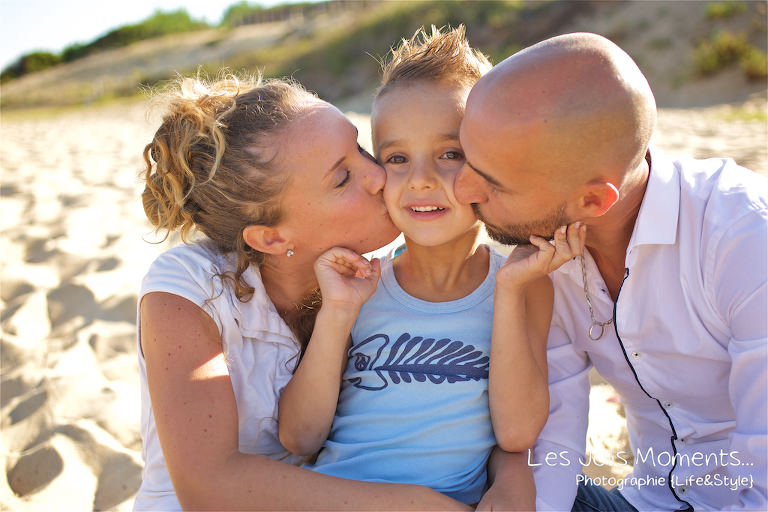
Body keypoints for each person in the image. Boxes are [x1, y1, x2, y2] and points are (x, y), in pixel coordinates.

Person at [135, 73, 484, 510]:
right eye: (343, 178)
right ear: (272, 239)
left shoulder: (374, 277)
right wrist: (416, 505)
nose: (378, 175)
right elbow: (209, 485)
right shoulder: (189, 288)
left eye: (360, 149)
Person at [454, 31, 768, 511]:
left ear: (593, 201)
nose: (461, 190)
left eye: (491, 182)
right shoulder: (546, 251)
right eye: (464, 157)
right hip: (644, 501)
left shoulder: (742, 237)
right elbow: (554, 438)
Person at [277, 26, 585, 508]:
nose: (421, 181)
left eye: (450, 154)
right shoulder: (358, 285)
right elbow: (300, 438)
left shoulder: (523, 285)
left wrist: (507, 292)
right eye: (397, 158)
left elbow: (517, 432)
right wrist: (337, 315)